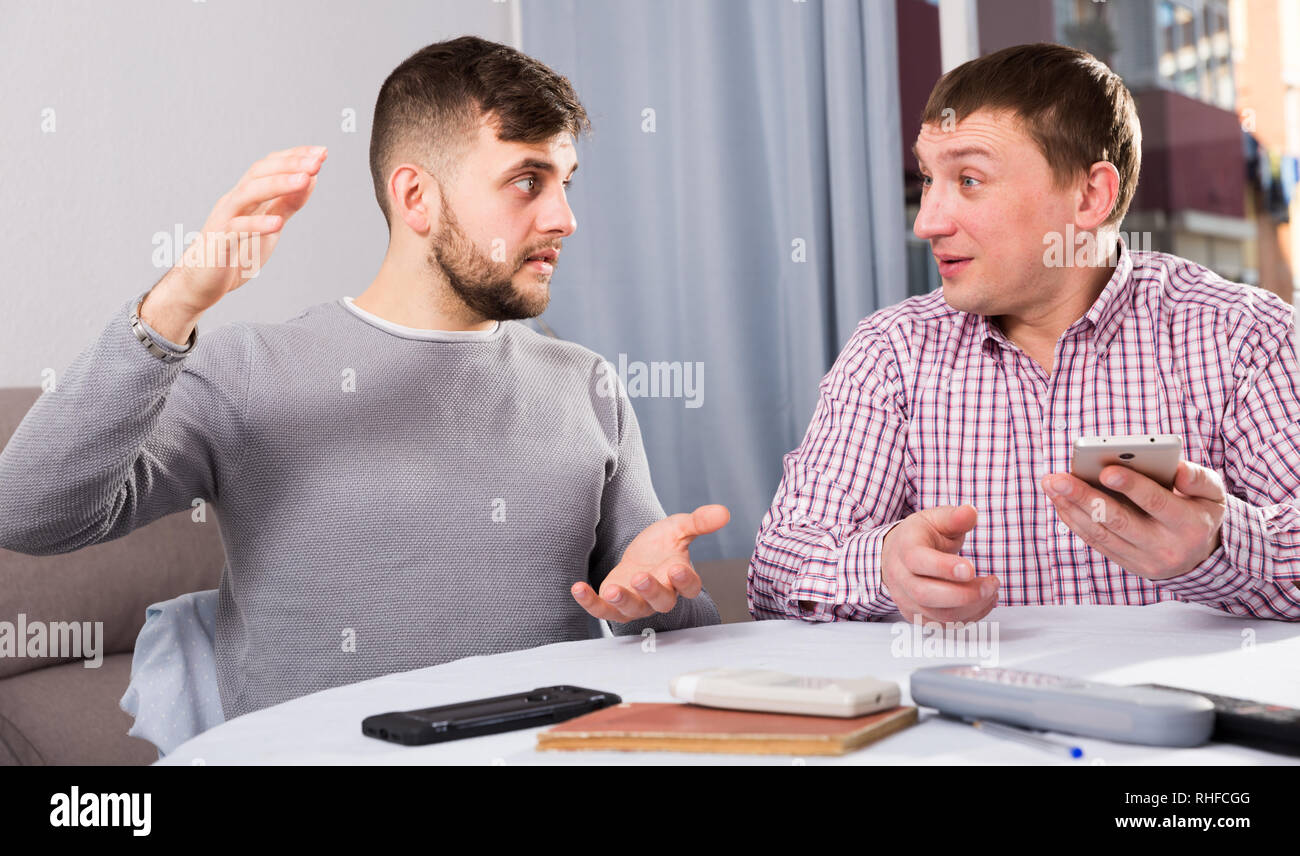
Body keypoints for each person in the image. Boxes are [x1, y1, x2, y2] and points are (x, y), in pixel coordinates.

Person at [0, 36, 727, 720]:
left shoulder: (586, 385)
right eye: (527, 181)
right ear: (417, 197)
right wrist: (175, 303)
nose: (564, 217)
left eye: (565, 182)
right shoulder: (247, 370)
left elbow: (667, 619)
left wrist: (658, 596)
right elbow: (27, 514)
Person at [748, 43, 1300, 625]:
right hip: (962, 712)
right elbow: (776, 571)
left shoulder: (1243, 336)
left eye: (968, 179)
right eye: (928, 178)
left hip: (1189, 710)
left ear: (1091, 196)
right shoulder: (891, 354)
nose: (926, 221)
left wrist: (1219, 548)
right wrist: (883, 565)